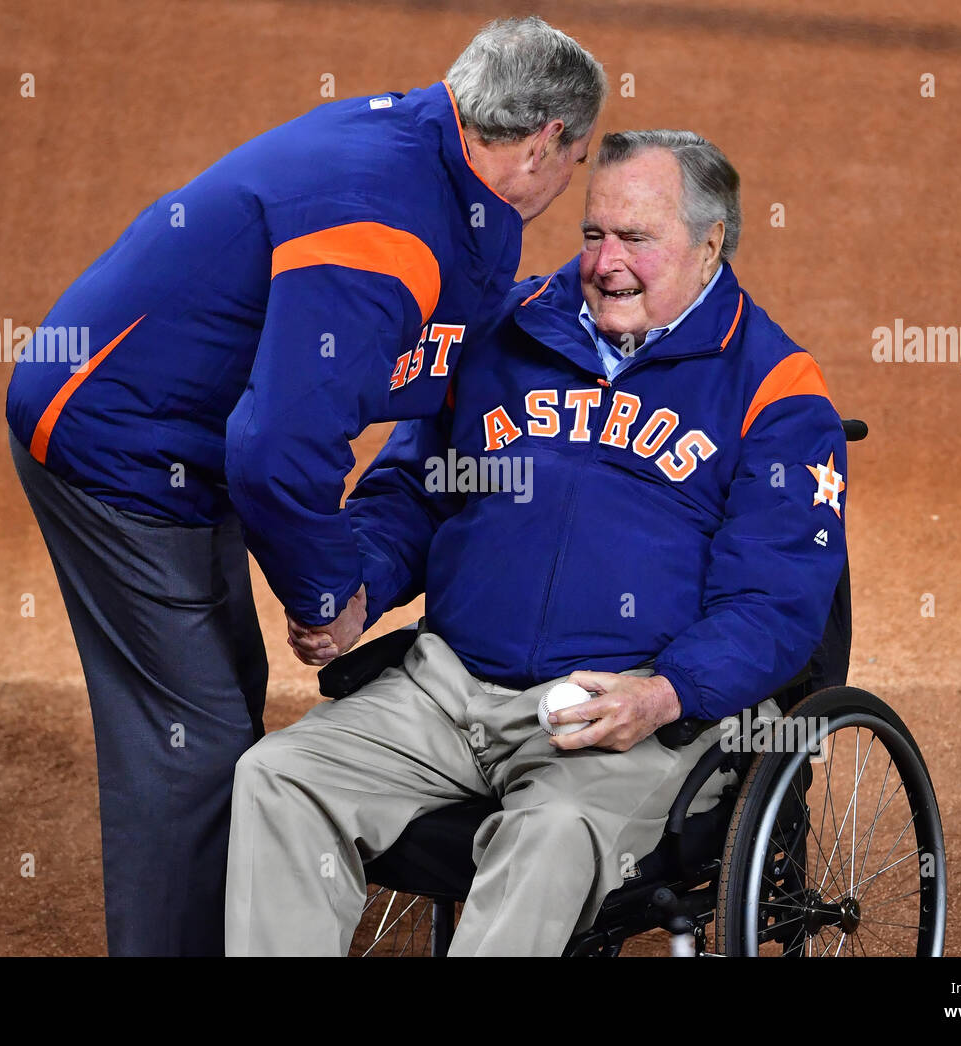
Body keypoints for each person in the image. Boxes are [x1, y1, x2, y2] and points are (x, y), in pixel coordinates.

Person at [5, 17, 605, 956]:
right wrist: (330, 594)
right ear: (541, 145)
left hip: (189, 430)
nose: (572, 184)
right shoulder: (386, 224)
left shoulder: (445, 160)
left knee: (216, 696)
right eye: (578, 159)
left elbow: (442, 365)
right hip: (113, 437)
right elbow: (280, 451)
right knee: (192, 740)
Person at [225, 130, 850, 956]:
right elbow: (414, 489)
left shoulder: (773, 390)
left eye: (637, 239)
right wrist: (361, 592)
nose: (606, 262)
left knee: (550, 829)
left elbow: (776, 601)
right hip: (447, 691)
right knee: (279, 777)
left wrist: (664, 693)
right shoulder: (501, 331)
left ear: (709, 247)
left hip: (625, 713)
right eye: (594, 234)